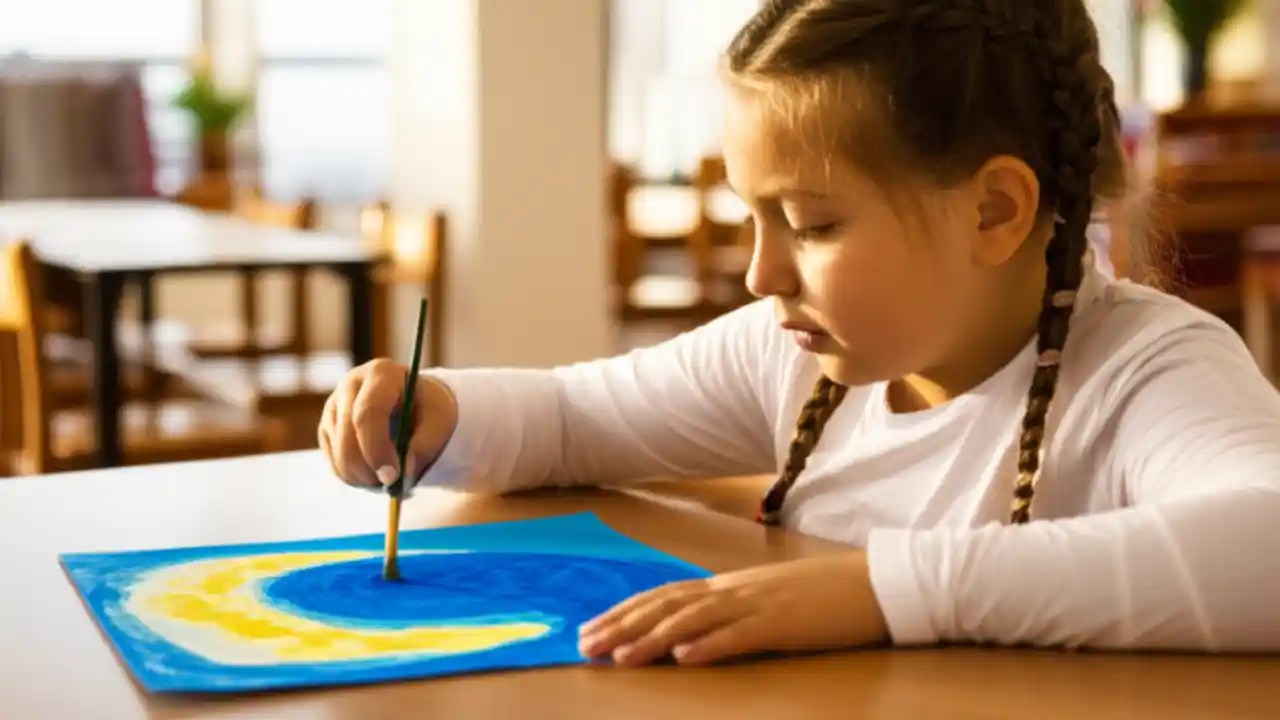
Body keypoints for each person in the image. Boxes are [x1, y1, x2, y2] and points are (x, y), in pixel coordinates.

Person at [319, 0, 1280, 666]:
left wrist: (876, 592)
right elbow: (575, 415)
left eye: (813, 225)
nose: (758, 273)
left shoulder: (1145, 372)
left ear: (993, 209)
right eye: (753, 216)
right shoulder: (790, 354)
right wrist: (437, 412)